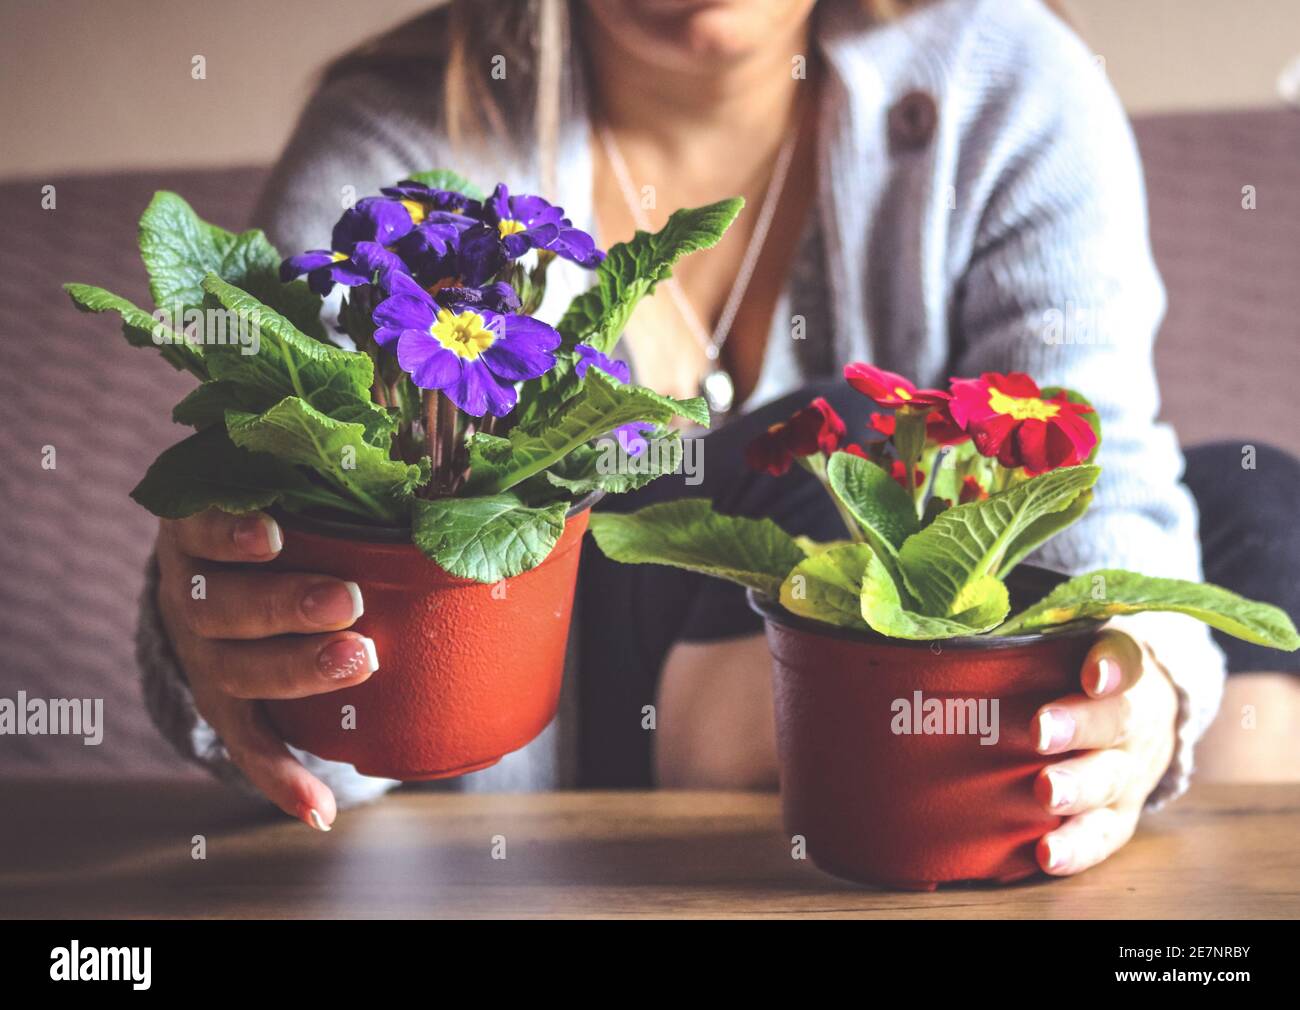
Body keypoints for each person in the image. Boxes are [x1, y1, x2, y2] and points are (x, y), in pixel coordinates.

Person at [139, 0, 1297, 878]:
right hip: (554, 709)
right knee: (831, 463)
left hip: (916, 668)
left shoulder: (1007, 75)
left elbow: (1098, 455)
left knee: (1259, 514)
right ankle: (857, 848)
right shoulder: (398, 134)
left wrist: (1146, 694)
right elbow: (293, 522)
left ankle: (1116, 861)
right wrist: (236, 634)